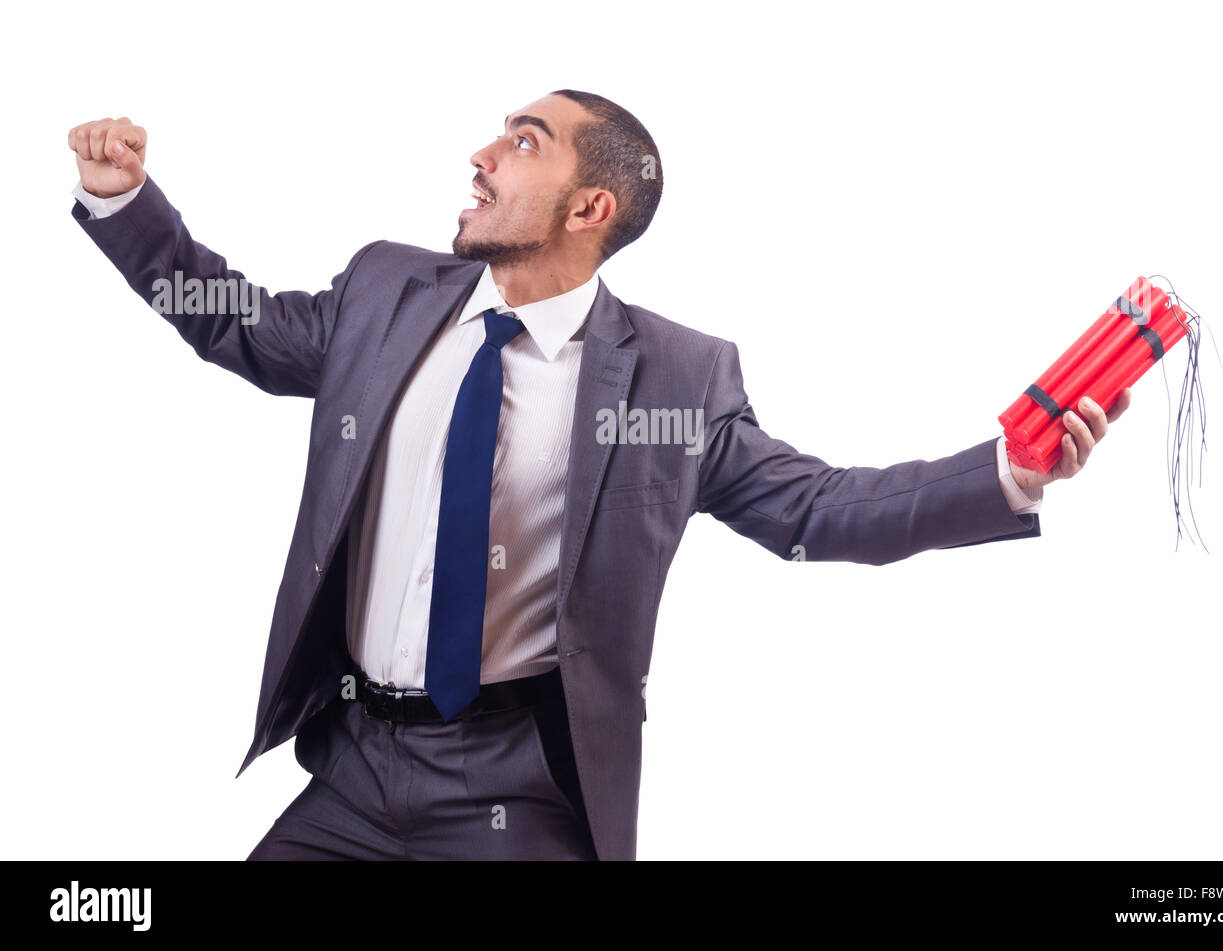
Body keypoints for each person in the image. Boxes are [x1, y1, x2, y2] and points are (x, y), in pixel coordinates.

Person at [67, 89, 1131, 860]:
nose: (480, 154)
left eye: (521, 142)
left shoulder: (674, 377)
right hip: (351, 768)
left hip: (514, 790)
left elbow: (816, 508)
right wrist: (130, 208)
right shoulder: (386, 292)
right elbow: (238, 327)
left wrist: (1005, 475)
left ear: (590, 210)